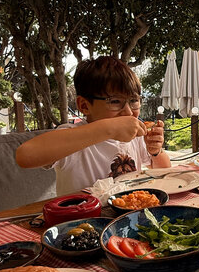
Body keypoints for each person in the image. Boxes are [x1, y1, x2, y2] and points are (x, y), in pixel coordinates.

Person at [16, 56, 171, 194]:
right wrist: (109, 129)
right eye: (115, 101)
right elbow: (25, 155)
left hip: (128, 213)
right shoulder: (74, 136)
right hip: (82, 215)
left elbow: (165, 172)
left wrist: (155, 151)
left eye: (134, 101)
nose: (129, 112)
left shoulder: (134, 137)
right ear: (84, 106)